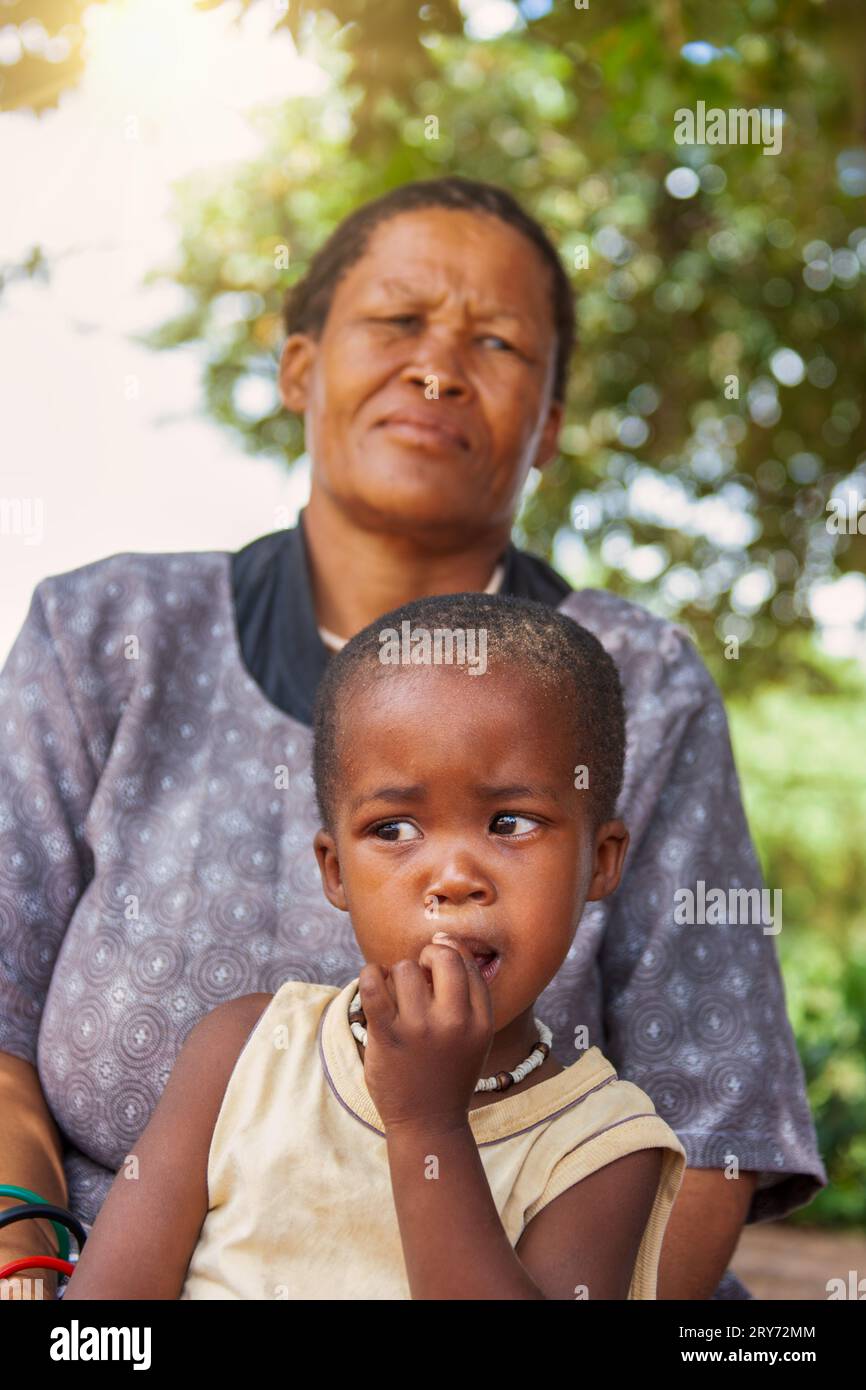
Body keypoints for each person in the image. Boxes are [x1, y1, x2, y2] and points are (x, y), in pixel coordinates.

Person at [0, 175, 825, 1301]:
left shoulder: (636, 678)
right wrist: (26, 1260)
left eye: (494, 343)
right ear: (299, 367)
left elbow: (714, 1128)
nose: (437, 369)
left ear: (545, 431)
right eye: (396, 322)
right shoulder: (104, 635)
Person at [64, 594, 687, 1300]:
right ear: (335, 871)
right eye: (394, 830)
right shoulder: (245, 1052)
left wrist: (427, 1124)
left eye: (510, 822)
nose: (453, 877)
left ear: (601, 860)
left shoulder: (600, 1148)